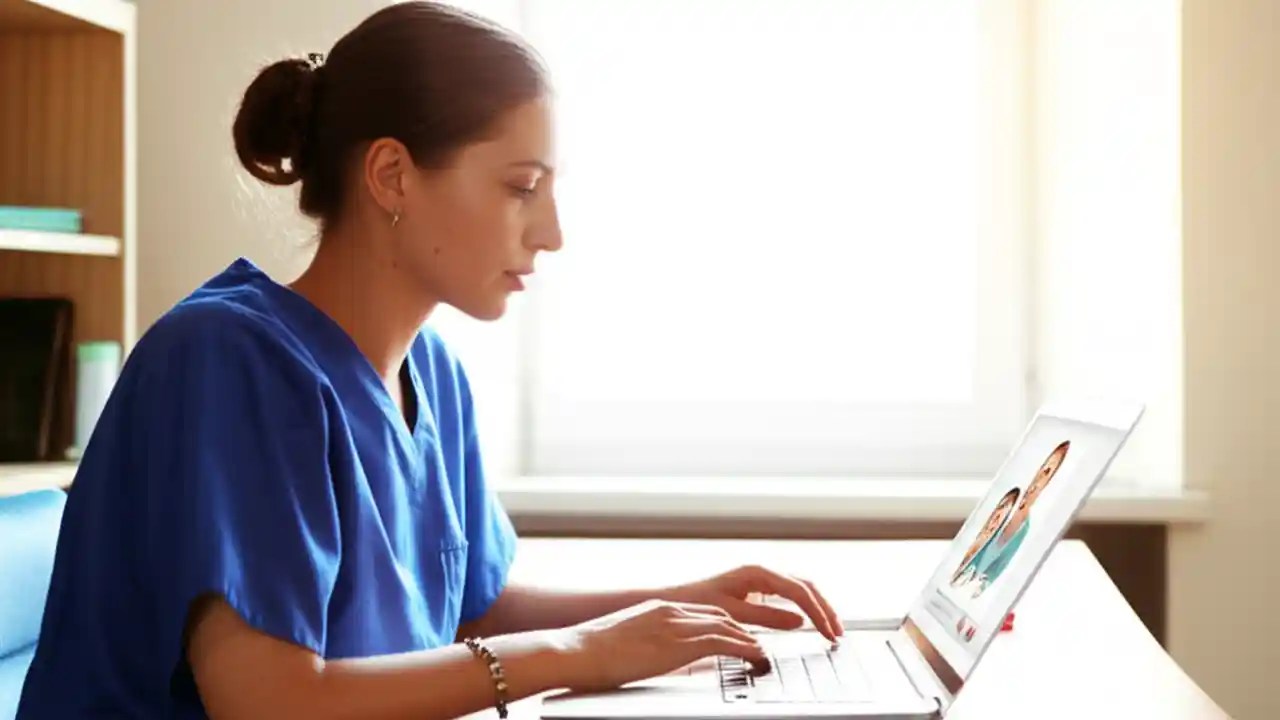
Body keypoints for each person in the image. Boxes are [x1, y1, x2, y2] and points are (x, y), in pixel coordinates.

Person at [15, 4, 844, 718]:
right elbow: (268, 699)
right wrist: (579, 652)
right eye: (522, 186)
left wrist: (674, 610)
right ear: (391, 177)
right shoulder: (226, 362)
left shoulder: (433, 373)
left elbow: (469, 613)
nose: (551, 231)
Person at [966, 440, 1071, 598]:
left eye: (1048, 474)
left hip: (973, 588)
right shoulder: (1005, 506)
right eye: (1042, 471)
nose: (1038, 481)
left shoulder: (1024, 528)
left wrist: (979, 589)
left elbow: (1000, 566)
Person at [949, 487, 1020, 588]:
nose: (998, 516)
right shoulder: (964, 534)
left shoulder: (976, 568)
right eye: (1001, 507)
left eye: (1004, 516)